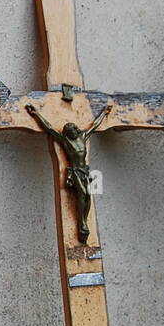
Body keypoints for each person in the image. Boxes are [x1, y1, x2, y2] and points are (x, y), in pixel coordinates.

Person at [26, 101, 113, 243]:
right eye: (68, 130)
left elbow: (95, 125)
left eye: (72, 129)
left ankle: (84, 220)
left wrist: (104, 112)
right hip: (75, 172)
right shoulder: (65, 141)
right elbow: (49, 128)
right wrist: (36, 114)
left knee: (88, 196)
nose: (71, 131)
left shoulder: (83, 137)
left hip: (85, 171)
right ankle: (82, 223)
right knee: (83, 193)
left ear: (76, 130)